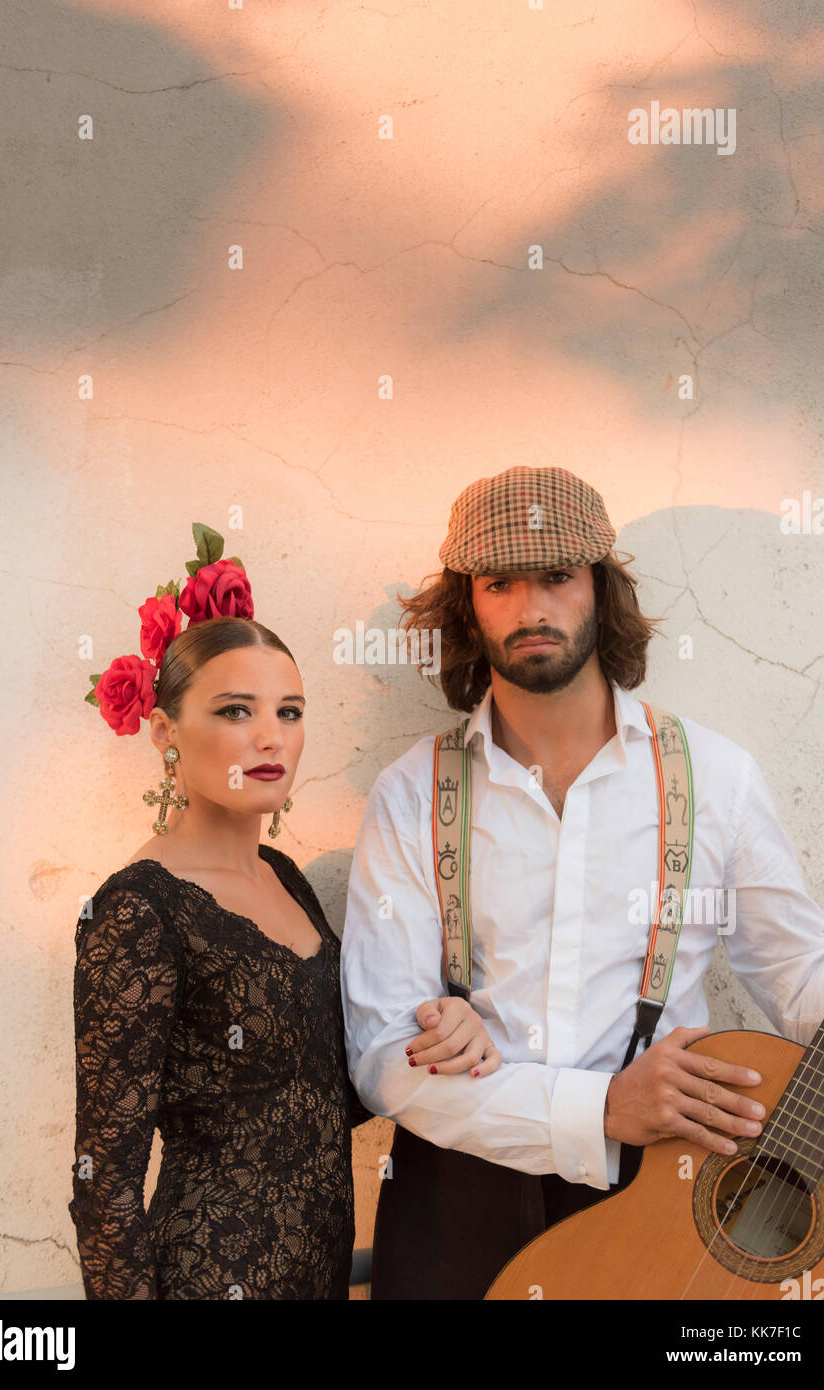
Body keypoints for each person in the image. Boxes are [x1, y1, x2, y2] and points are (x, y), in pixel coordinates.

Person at [339, 465, 824, 1300]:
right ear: (467, 603)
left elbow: (803, 982)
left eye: (556, 577)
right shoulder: (410, 792)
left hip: (668, 1205)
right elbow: (385, 1056)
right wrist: (601, 1110)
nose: (531, 609)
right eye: (499, 583)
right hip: (455, 1198)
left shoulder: (714, 777)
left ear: (599, 589)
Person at [68, 526, 500, 1299]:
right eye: (236, 711)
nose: (271, 737)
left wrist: (449, 1025)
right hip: (206, 1276)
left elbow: (320, 1096)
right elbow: (104, 1184)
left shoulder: (285, 880)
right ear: (165, 732)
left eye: (290, 712)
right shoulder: (137, 909)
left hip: (320, 1277)